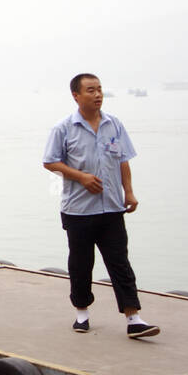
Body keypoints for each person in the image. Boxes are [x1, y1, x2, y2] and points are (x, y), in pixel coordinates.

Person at [43, 73, 159, 339]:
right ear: (76, 96)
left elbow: (123, 160)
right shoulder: (63, 128)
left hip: (112, 208)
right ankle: (81, 313)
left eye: (100, 89)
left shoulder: (114, 124)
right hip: (78, 211)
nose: (97, 95)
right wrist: (81, 177)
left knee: (120, 262)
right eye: (91, 90)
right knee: (81, 264)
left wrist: (129, 192)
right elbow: (50, 161)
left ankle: (134, 318)